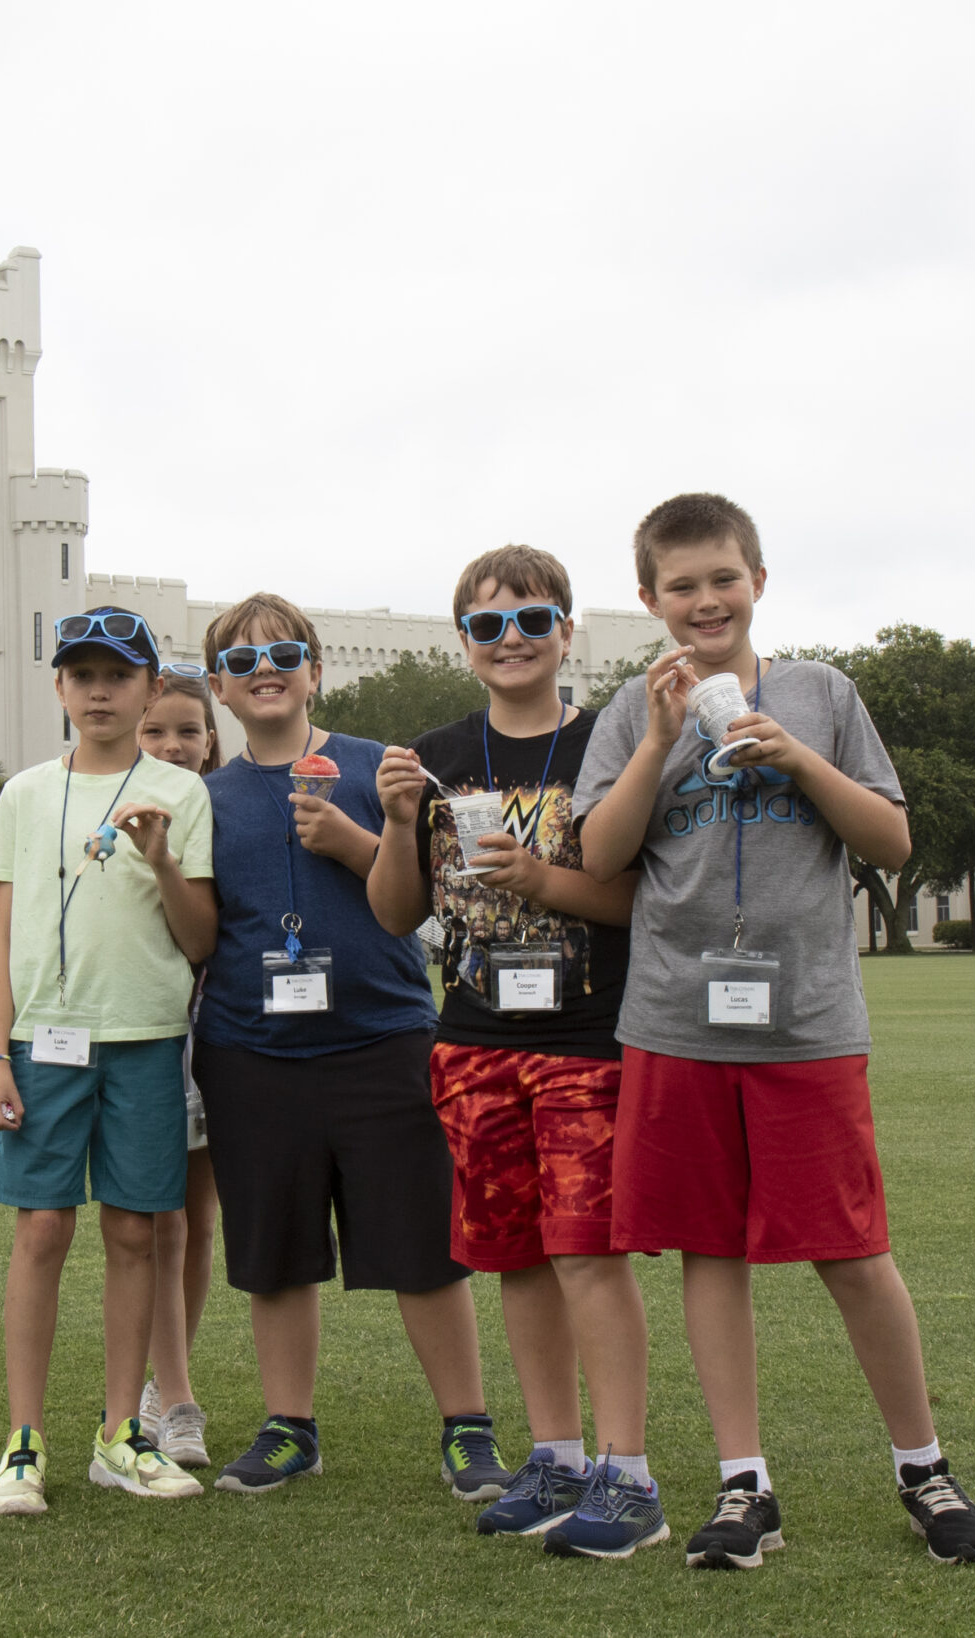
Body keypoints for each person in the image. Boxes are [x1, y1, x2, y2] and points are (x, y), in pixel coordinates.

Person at [575, 493, 975, 1567]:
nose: (704, 600)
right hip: (674, 1023)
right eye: (680, 586)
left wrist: (797, 762)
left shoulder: (822, 693)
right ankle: (740, 1485)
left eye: (722, 578)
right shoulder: (632, 708)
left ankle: (923, 1467)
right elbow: (598, 857)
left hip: (805, 1023)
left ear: (756, 582)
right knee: (709, 1252)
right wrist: (663, 740)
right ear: (648, 601)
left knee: (851, 1251)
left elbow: (891, 843)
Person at [369, 545, 664, 1558]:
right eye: (487, 626)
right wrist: (399, 819)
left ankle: (627, 1474)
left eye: (531, 622)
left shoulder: (605, 743)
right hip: (471, 1040)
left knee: (586, 1251)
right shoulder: (436, 751)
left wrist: (538, 878)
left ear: (564, 635)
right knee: (516, 1259)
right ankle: (554, 1455)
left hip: (586, 1036)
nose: (510, 642)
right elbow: (395, 909)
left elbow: (633, 899)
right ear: (462, 642)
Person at [192, 592, 513, 1502]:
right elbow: (198, 928)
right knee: (275, 1253)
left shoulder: (383, 768)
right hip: (251, 1051)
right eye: (244, 661)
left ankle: (467, 1429)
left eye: (285, 653)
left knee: (421, 1246)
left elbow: (441, 897)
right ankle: (289, 1427)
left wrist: (357, 839)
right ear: (220, 686)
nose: (267, 670)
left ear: (317, 670)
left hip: (382, 1039)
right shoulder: (202, 799)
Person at [0, 609, 217, 1515]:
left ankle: (122, 1433)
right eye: (81, 675)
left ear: (153, 687)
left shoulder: (181, 795)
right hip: (43, 1046)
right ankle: (23, 1443)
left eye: (119, 675)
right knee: (40, 1231)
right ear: (59, 689)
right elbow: (1, 938)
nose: (100, 691)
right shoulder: (27, 794)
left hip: (147, 1041)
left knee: (135, 1234)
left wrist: (160, 860)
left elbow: (199, 940)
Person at [135, 670, 224, 1468]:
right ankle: (170, 1391)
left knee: (198, 1222)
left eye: (187, 732)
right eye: (156, 732)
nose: (172, 746)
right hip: (148, 1031)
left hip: (220, 1033)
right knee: (160, 1222)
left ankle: (170, 1385)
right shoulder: (110, 809)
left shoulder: (220, 807)